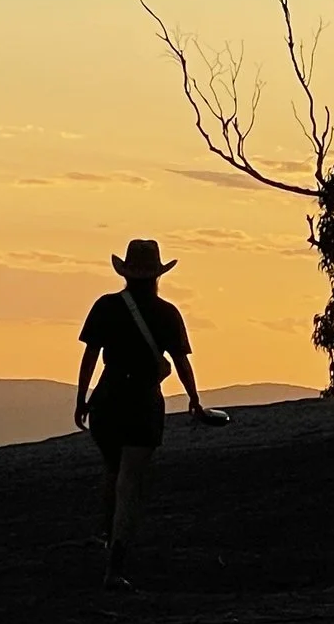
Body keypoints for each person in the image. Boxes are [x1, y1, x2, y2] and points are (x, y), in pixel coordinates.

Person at [75, 237, 226, 587]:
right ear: (158, 275)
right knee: (130, 480)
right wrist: (195, 400)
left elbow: (90, 357)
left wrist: (82, 398)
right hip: (143, 402)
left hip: (108, 399)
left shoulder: (105, 307)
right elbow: (181, 362)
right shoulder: (167, 314)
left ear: (126, 273)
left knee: (113, 471)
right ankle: (116, 564)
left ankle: (106, 536)